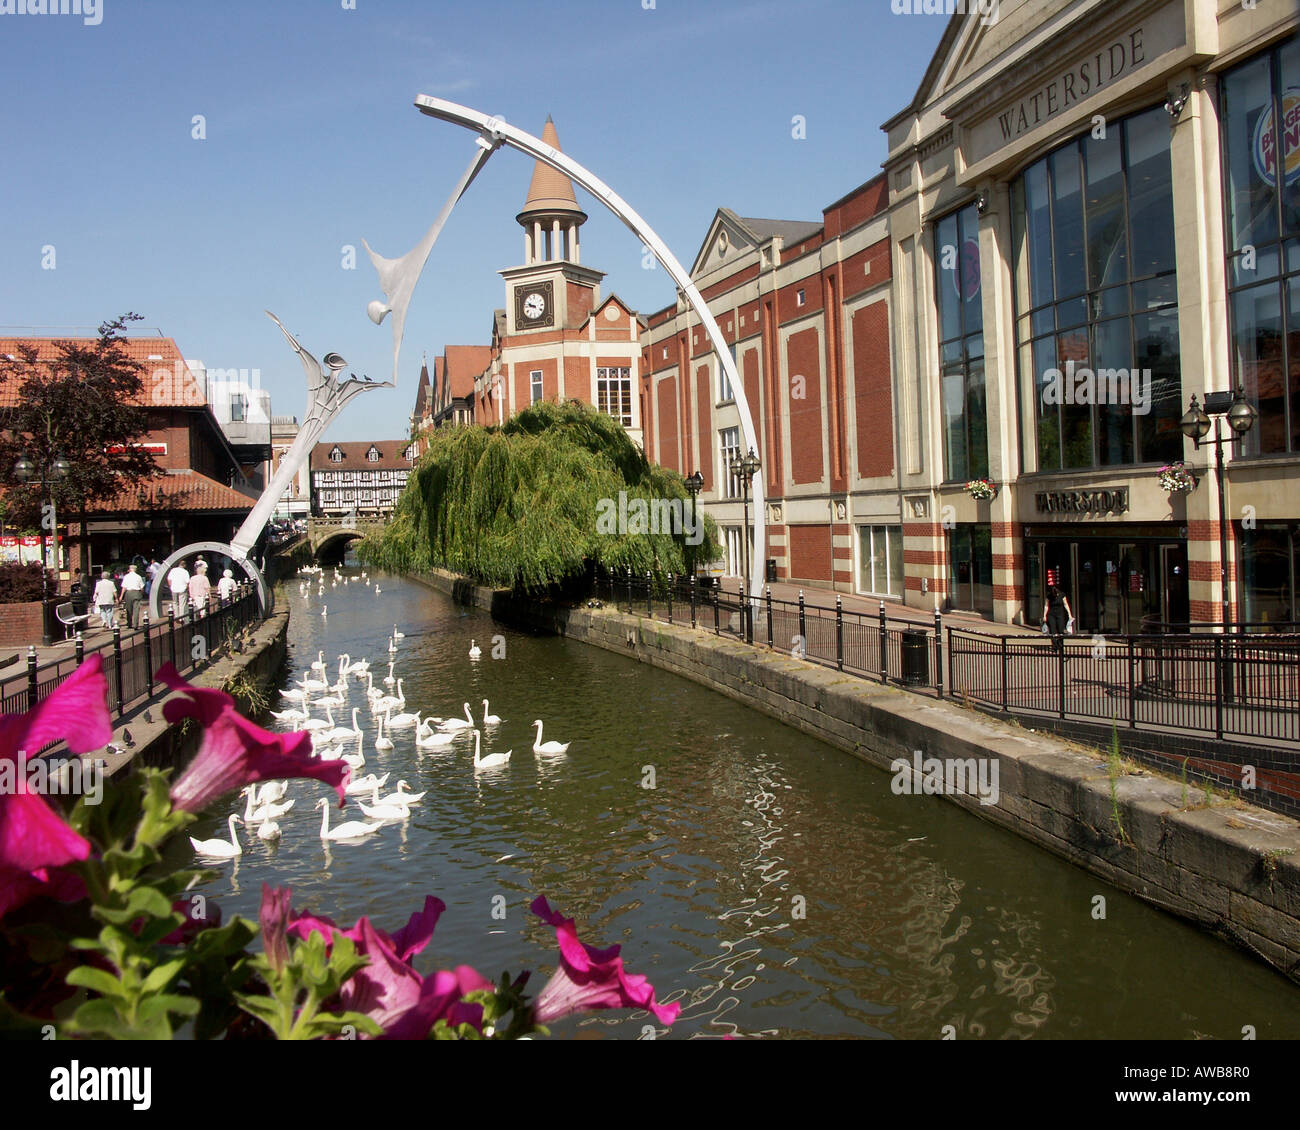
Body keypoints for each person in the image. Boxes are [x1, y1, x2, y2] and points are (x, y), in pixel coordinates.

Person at [1042, 583, 1073, 651]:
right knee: (1053, 630)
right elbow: (1046, 606)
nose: (1055, 596)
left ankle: (1060, 645)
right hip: (1051, 614)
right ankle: (1054, 646)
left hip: (1060, 614)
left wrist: (1069, 614)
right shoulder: (1049, 596)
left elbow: (1066, 604)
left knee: (1060, 630)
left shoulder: (1062, 595)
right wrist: (1044, 615)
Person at [120, 563, 145, 629]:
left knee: (129, 609)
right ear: (135, 570)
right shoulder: (138, 576)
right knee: (136, 609)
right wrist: (142, 593)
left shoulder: (126, 577)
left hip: (128, 593)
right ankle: (136, 625)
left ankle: (129, 623)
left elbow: (124, 587)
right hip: (136, 593)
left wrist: (121, 596)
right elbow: (142, 587)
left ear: (129, 570)